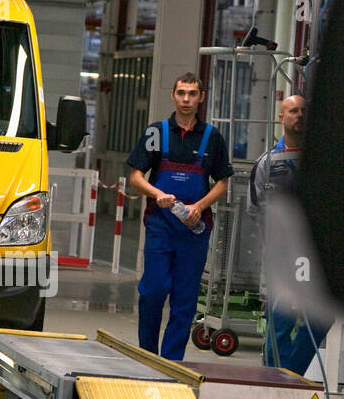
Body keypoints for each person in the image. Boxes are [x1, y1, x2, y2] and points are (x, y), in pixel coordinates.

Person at [126, 72, 233, 361]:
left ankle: (171, 362)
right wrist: (155, 193)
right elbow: (135, 176)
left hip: (194, 230)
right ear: (173, 95)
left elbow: (223, 182)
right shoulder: (156, 132)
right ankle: (147, 355)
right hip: (161, 226)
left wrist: (199, 206)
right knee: (153, 292)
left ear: (201, 97)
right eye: (182, 93)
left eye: (192, 94)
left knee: (184, 301)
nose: (186, 99)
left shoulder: (212, 138)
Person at [249, 94, 330, 374]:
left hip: (316, 256)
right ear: (281, 118)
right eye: (293, 111)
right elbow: (256, 210)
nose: (300, 116)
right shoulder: (268, 163)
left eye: (304, 111)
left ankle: (291, 375)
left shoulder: (325, 162)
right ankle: (275, 382)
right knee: (281, 320)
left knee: (320, 319)